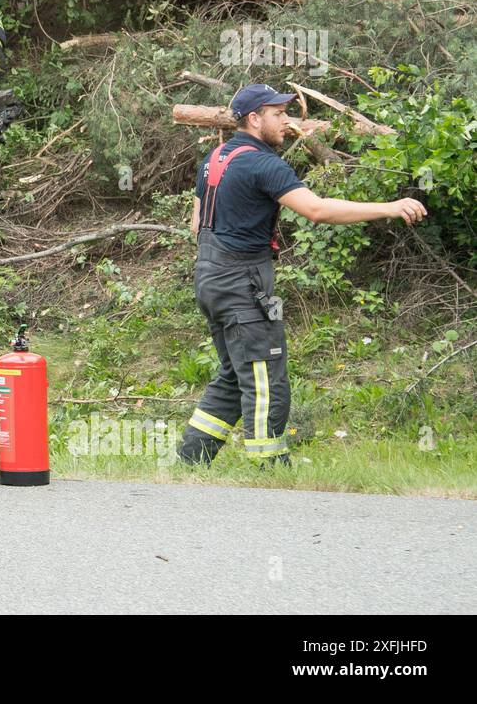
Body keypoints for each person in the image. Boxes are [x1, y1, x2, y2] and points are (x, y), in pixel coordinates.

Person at [179, 83, 427, 466]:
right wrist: (390, 207)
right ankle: (271, 466)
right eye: (278, 114)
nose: (287, 121)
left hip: (209, 281)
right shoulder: (263, 163)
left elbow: (197, 224)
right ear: (254, 118)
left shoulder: (213, 160)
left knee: (236, 373)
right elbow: (318, 210)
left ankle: (191, 461)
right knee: (266, 377)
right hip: (243, 287)